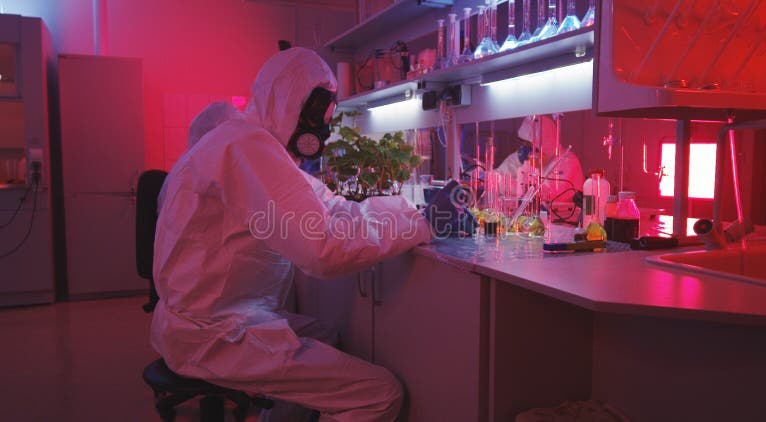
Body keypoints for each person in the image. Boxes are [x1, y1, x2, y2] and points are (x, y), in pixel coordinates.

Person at [150, 47, 470, 422]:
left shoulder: (248, 144)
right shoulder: (246, 147)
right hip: (213, 335)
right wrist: (423, 225)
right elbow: (322, 248)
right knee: (380, 394)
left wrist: (414, 215)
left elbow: (332, 207)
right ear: (288, 104)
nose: (320, 131)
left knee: (324, 334)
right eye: (317, 117)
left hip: (203, 322)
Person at [510, 115, 584, 204]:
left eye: (529, 144)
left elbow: (553, 194)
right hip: (536, 211)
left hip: (564, 212)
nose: (525, 149)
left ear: (545, 144)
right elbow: (503, 174)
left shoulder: (567, 161)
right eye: (523, 143)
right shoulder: (528, 161)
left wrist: (518, 186)